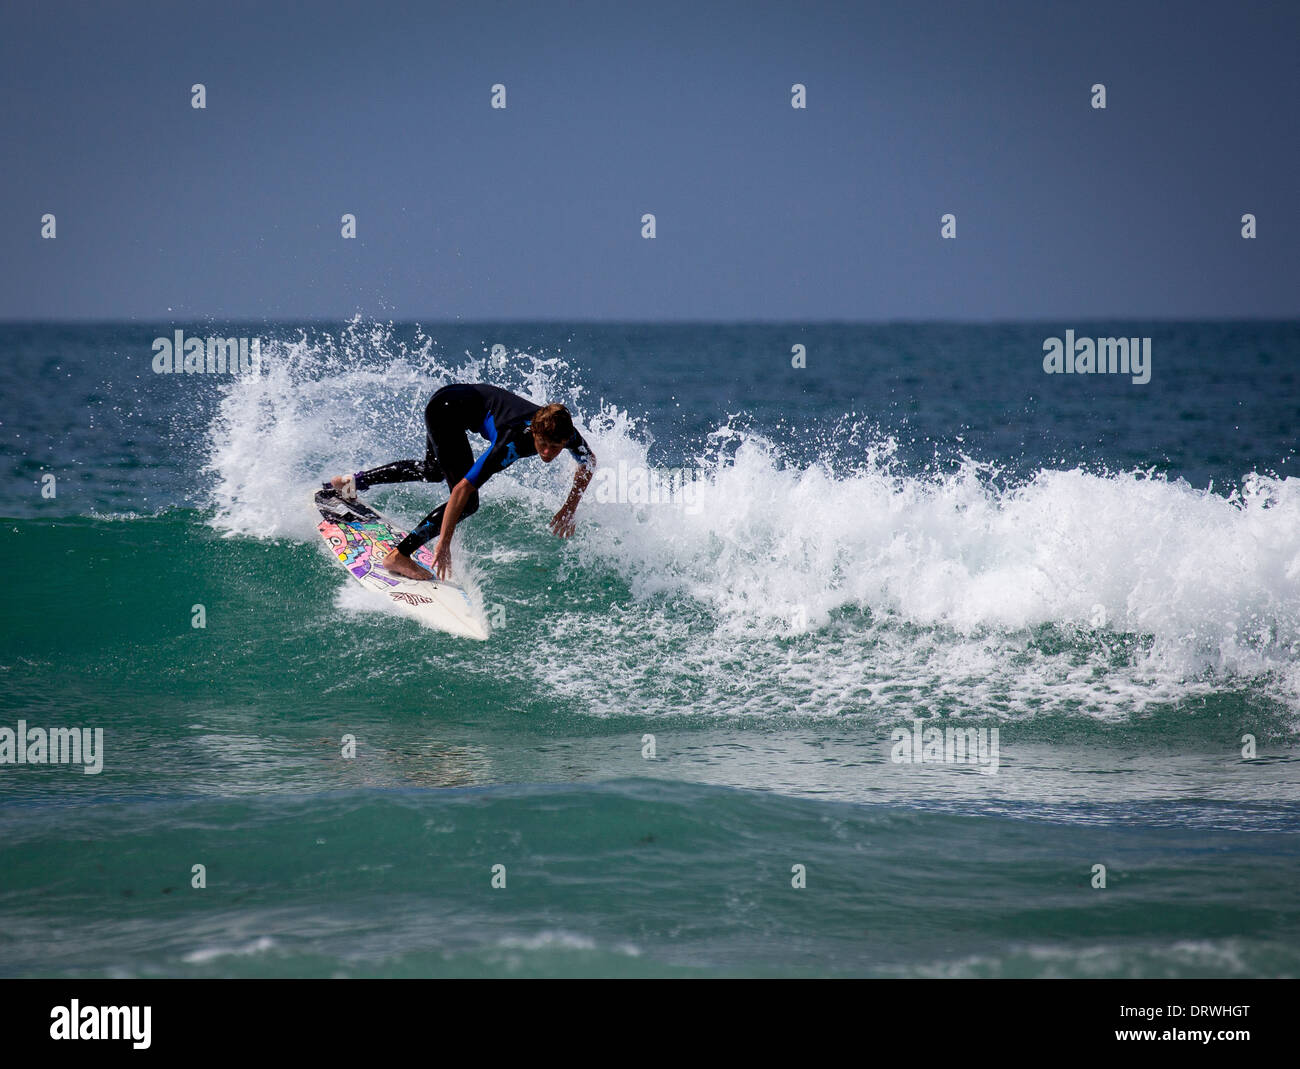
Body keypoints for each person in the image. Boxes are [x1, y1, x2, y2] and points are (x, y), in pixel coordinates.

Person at [324, 383, 596, 580]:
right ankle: (399, 556)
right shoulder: (511, 442)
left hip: (449, 398)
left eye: (555, 447)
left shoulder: (567, 433)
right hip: (445, 411)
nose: (547, 452)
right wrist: (443, 542)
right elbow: (462, 490)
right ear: (534, 431)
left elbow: (588, 463)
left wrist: (570, 506)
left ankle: (351, 483)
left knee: (433, 470)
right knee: (469, 503)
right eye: (543, 443)